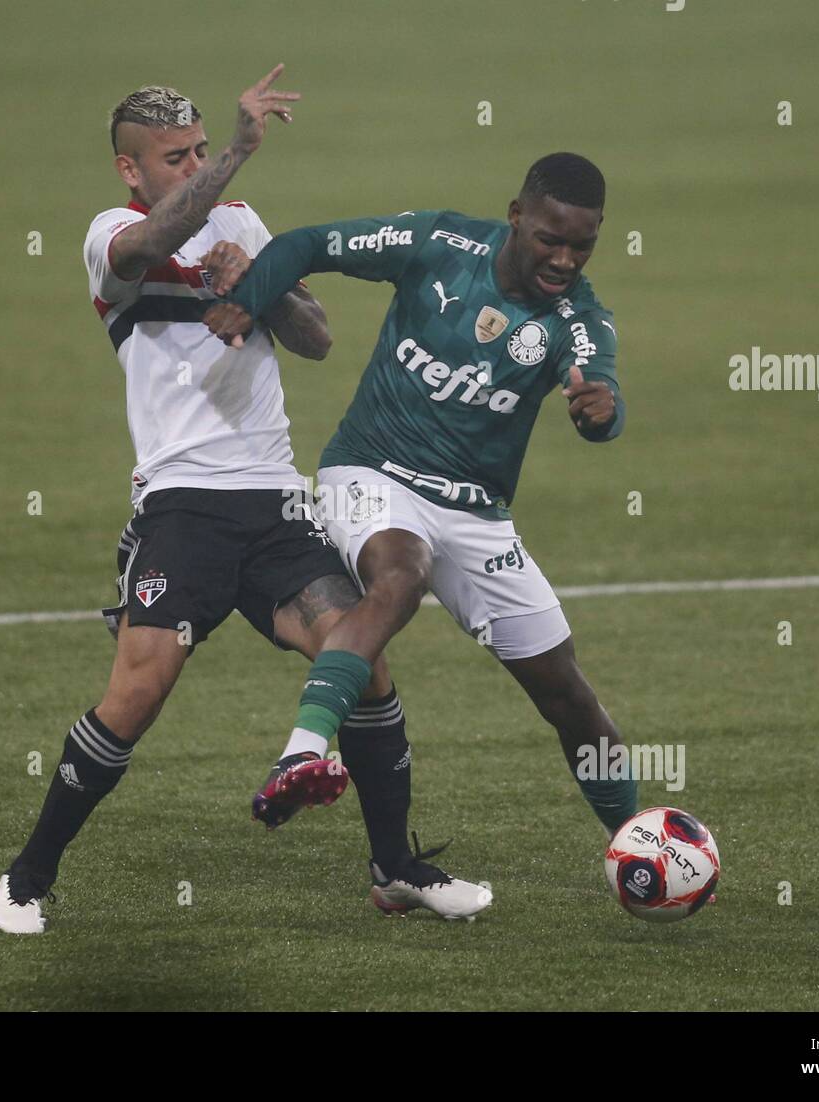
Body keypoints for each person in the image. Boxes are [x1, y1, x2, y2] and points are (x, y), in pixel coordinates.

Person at [0, 69, 490, 934]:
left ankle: (396, 868)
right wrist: (235, 153)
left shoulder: (241, 222)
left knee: (361, 656)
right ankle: (27, 879)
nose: (191, 170)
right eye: (174, 158)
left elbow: (319, 338)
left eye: (197, 153)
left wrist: (262, 282)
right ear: (129, 169)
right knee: (139, 690)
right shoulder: (111, 234)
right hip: (182, 504)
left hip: (275, 501)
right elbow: (153, 243)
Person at [204, 153, 639, 846]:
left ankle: (638, 838)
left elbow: (602, 401)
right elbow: (308, 245)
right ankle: (302, 752)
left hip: (476, 514)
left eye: (581, 245)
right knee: (400, 576)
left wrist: (599, 413)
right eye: (549, 239)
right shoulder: (438, 243)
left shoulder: (577, 320)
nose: (563, 259)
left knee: (568, 695)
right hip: (371, 472)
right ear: (516, 215)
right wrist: (249, 297)